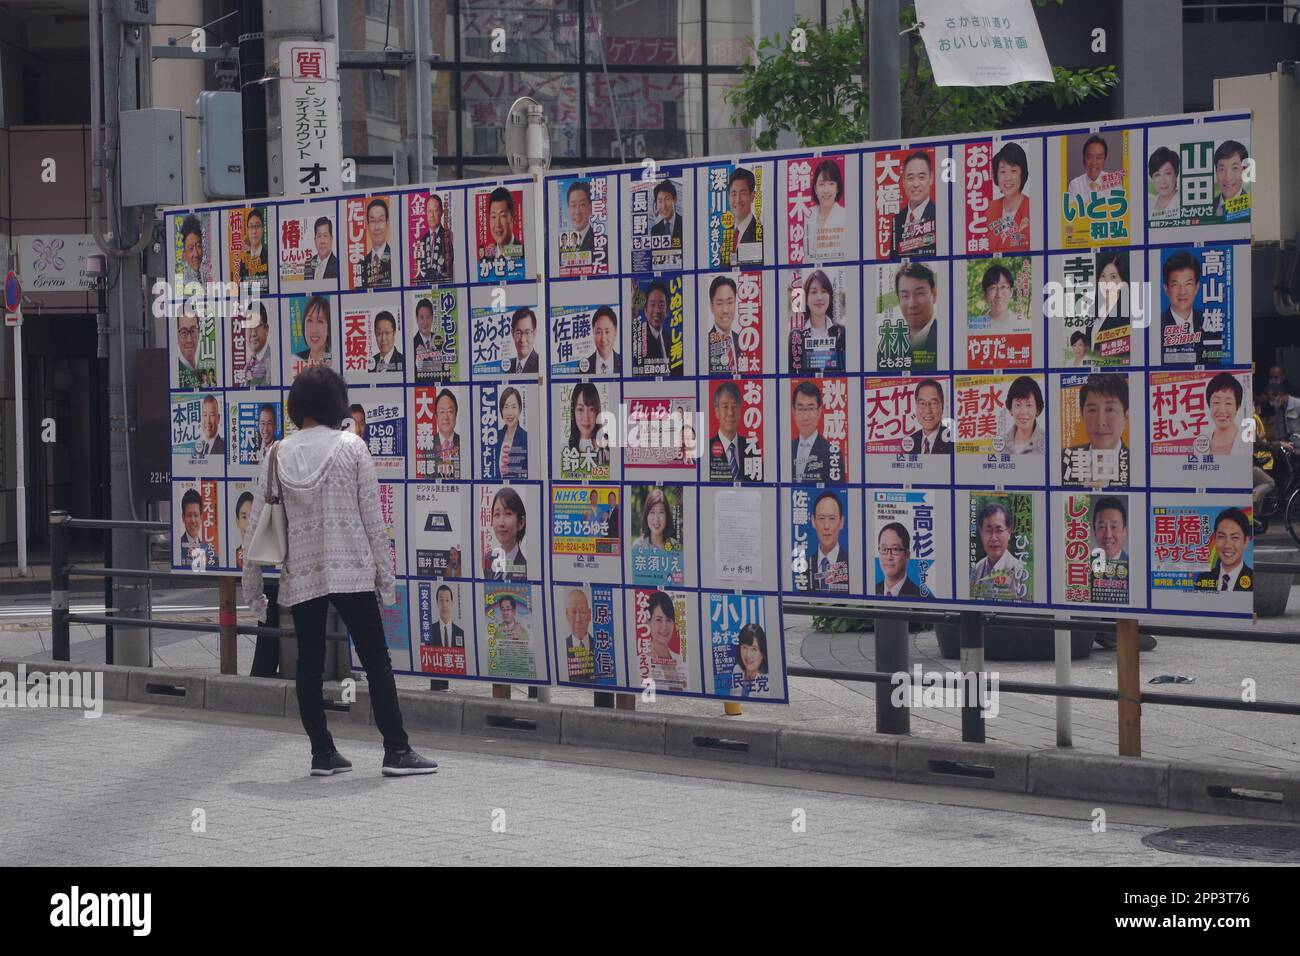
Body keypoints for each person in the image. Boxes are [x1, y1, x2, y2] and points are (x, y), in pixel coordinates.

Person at [240, 364, 437, 776]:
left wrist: (254, 591)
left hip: (303, 572)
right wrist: (386, 578)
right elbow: (373, 522)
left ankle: (322, 753)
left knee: (308, 663)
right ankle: (396, 750)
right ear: (336, 404)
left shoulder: (276, 454)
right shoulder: (352, 448)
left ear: (297, 406)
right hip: (352, 571)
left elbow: (257, 528)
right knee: (375, 658)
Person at [1063, 373, 1130, 487]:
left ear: (1126, 416)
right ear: (1082, 414)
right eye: (1092, 410)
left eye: (1110, 409)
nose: (1100, 422)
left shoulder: (1138, 466)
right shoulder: (1063, 459)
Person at [1160, 251, 1213, 365]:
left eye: (1188, 284)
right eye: (1175, 284)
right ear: (1166, 288)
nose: (1182, 291)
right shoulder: (1156, 328)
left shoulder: (1210, 322)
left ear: (1197, 287)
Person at [969, 502, 1029, 602]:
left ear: (1009, 532)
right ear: (980, 532)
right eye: (988, 531)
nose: (993, 538)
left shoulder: (1019, 571)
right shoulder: (977, 568)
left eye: (999, 530)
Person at [788, 269, 845, 372]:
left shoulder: (841, 332)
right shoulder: (796, 336)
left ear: (830, 297)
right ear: (806, 299)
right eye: (814, 292)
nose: (819, 297)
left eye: (823, 291)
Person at [1195, 507, 1253, 592]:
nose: (1227, 545)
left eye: (1235, 537)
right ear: (1215, 539)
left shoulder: (1252, 578)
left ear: (1246, 541)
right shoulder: (1203, 578)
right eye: (1221, 536)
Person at [891, 150, 936, 259]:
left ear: (931, 179)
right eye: (910, 178)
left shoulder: (940, 216)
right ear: (903, 182)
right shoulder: (897, 219)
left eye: (921, 177)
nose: (915, 184)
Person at [895, 262, 939, 370]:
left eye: (919, 293)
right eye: (905, 296)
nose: (912, 304)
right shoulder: (891, 343)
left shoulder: (945, 337)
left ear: (933, 294)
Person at [987, 142, 1030, 252]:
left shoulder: (1033, 208)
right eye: (1002, 171)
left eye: (1013, 170)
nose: (1008, 178)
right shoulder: (989, 208)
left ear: (1023, 173)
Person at [709, 381, 754, 482]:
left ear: (740, 410)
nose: (730, 413)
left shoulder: (751, 446)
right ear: (717, 412)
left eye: (734, 406)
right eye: (725, 407)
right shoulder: (707, 449)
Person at [791, 379, 833, 482]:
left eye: (810, 409)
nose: (805, 417)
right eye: (801, 409)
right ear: (794, 411)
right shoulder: (787, 449)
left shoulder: (831, 453)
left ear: (819, 411)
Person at [484, 486, 528, 581]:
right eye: (497, 514)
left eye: (508, 513)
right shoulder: (488, 559)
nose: (501, 523)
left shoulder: (527, 569)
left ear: (521, 523)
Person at [806, 158, 847, 260]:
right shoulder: (807, 214)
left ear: (838, 188)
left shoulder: (846, 216)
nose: (826, 190)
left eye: (831, 184)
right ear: (815, 188)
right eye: (821, 184)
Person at [808, 491, 848, 592]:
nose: (826, 526)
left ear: (841, 522)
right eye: (821, 518)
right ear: (813, 521)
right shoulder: (804, 566)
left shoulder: (852, 564)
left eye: (832, 518)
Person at [566, 382, 609, 474]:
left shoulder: (607, 446)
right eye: (580, 409)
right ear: (573, 412)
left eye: (591, 409)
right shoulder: (564, 448)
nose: (586, 417)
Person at [644, 590, 684, 687]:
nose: (664, 627)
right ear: (648, 621)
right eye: (659, 620)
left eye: (668, 620)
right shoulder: (643, 662)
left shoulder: (680, 660)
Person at [723, 167, 760, 266]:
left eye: (743, 193)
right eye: (733, 194)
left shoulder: (760, 234)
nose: (738, 200)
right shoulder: (725, 234)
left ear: (752, 196)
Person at [972, 263, 1024, 331]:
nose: (999, 295)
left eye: (1003, 287)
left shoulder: (1024, 325)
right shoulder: (974, 329)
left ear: (1011, 292)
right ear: (985, 295)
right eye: (993, 288)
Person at [707, 276, 742, 374]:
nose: (725, 310)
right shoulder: (704, 344)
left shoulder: (743, 341)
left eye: (730, 302)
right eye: (719, 303)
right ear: (711, 306)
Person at [876, 522, 921, 597]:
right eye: (884, 549)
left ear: (907, 555)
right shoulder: (873, 591)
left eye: (895, 549)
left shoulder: (919, 596)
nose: (889, 557)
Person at [1002, 376, 1045, 455]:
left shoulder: (1048, 442)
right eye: (1018, 405)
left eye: (1029, 405)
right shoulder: (1001, 443)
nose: (1023, 412)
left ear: (1037, 409)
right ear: (1011, 409)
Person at [1204, 372, 1244, 457]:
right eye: (1216, 402)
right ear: (1209, 404)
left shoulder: (1245, 442)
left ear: (1237, 406)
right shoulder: (1202, 442)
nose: (1222, 410)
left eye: (1228, 403)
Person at [908, 378, 951, 455]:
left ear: (942, 406)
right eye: (922, 403)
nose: (928, 410)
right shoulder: (910, 441)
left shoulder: (952, 441)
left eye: (933, 403)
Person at [563, 588, 597, 683]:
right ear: (567, 614)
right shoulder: (561, 647)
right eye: (573, 612)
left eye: (582, 612)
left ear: (589, 614)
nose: (578, 619)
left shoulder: (601, 646)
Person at [1067, 134, 1115, 201]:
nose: (1094, 163)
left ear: (1104, 161)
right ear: (1083, 160)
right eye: (1089, 157)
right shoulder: (1075, 185)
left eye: (1098, 158)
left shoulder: (1114, 182)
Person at [633, 487, 680, 554]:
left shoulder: (675, 547)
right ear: (646, 515)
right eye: (652, 512)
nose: (656, 519)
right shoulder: (638, 546)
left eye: (661, 512)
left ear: (667, 516)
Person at [178, 490, 217, 569]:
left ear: (201, 518)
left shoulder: (209, 549)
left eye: (196, 515)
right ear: (183, 518)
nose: (193, 520)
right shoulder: (177, 547)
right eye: (189, 515)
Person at [636, 280, 671, 366]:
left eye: (661, 305)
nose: (657, 310)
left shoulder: (671, 340)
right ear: (645, 311)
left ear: (667, 311)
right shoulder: (637, 338)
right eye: (652, 305)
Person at [729, 623, 769, 698]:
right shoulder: (737, 669)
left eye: (754, 649)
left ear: (763, 653)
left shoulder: (768, 680)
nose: (748, 655)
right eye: (744, 647)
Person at [496, 387, 528, 479]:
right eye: (506, 407)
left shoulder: (526, 439)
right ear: (501, 410)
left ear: (520, 409)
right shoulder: (494, 437)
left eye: (514, 407)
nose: (509, 413)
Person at [481, 186, 519, 260]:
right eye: (493, 216)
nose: (497, 224)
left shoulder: (525, 253)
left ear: (513, 218)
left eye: (503, 216)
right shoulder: (486, 258)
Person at [1213, 140, 1249, 218]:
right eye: (1222, 169)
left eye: (1234, 168)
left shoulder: (1252, 206)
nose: (1228, 178)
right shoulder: (1209, 206)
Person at [294, 295, 332, 366]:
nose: (314, 330)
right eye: (309, 320)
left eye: (320, 321)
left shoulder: (334, 360)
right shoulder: (295, 359)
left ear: (328, 329)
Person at [363, 197, 392, 288]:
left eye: (381, 220)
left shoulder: (395, 259)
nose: (377, 227)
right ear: (367, 225)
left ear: (387, 223)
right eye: (372, 221)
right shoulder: (362, 263)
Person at [432, 388, 461, 478]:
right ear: (436, 417)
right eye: (442, 412)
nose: (446, 417)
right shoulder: (426, 445)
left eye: (450, 411)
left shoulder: (464, 443)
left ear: (456, 415)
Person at [1148, 146, 1181, 221]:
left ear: (1176, 174)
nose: (1162, 181)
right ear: (1152, 178)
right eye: (1157, 175)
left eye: (1167, 173)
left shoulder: (1183, 202)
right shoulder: (1149, 204)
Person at [244, 302, 273, 386]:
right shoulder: (249, 363)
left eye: (257, 325)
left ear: (266, 329)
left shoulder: (273, 362)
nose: (253, 333)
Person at [563, 180, 595, 253]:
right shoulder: (562, 241)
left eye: (582, 205)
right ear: (568, 208)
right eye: (573, 205)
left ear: (590, 207)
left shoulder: (602, 242)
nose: (577, 212)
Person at [238, 207, 268, 283]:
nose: (254, 231)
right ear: (247, 231)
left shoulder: (269, 257)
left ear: (262, 229)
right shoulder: (243, 262)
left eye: (257, 226)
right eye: (251, 226)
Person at [412, 297, 439, 378]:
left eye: (428, 317)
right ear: (417, 319)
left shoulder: (439, 340)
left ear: (432, 318)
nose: (425, 322)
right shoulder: (412, 344)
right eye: (422, 318)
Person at [504, 308, 539, 374]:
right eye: (518, 333)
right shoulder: (508, 367)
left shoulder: (541, 364)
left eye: (527, 333)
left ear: (534, 333)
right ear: (512, 333)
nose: (522, 340)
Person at [590, 306, 621, 374]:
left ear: (615, 332)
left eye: (607, 332)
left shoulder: (624, 363)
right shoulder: (584, 366)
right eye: (599, 332)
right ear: (593, 332)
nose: (603, 339)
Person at [176, 311, 204, 387]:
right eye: (184, 332)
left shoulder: (202, 369)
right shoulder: (176, 371)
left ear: (199, 333)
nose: (189, 340)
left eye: (193, 331)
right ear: (177, 336)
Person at [180, 213, 205, 285]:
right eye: (191, 249)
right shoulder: (181, 281)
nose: (196, 254)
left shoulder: (206, 274)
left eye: (199, 246)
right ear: (184, 254)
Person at [233, 491, 254, 570]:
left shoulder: (267, 557)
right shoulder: (232, 557)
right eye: (244, 517)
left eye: (252, 517)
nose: (248, 523)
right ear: (237, 521)